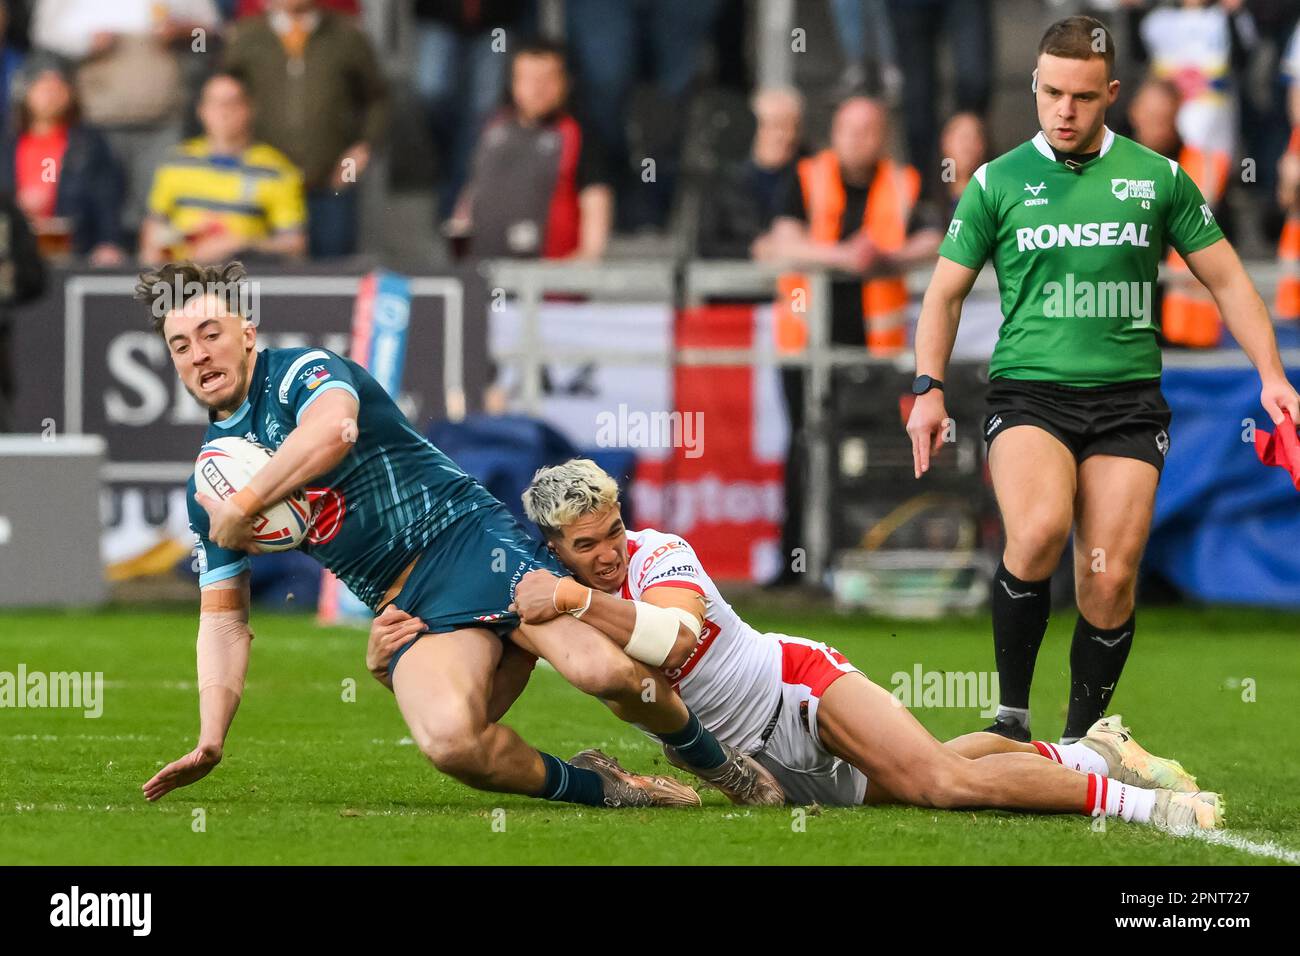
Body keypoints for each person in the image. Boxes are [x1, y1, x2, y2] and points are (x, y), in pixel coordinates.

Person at [137, 260, 781, 811]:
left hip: (472, 540)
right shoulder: (212, 482)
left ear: (247, 334)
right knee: (453, 744)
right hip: (408, 606)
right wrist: (211, 736)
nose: (198, 354)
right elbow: (223, 620)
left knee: (605, 672)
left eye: (210, 333)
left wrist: (247, 504)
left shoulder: (302, 372)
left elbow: (334, 433)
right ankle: (607, 788)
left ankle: (718, 765)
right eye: (180, 345)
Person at [369, 458, 1223, 831]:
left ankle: (1152, 809)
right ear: (552, 544)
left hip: (799, 693)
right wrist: (402, 660)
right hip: (765, 764)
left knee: (943, 784)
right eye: (587, 545)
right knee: (917, 777)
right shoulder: (551, 604)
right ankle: (1088, 749)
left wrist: (569, 599)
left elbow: (676, 642)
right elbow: (482, 708)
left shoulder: (658, 553)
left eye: (613, 530)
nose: (609, 551)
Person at [906, 16, 1299, 745]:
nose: (1064, 110)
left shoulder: (1157, 179)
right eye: (1051, 92)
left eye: (1082, 97)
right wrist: (927, 388)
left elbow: (1230, 282)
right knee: (1040, 529)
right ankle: (1012, 720)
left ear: (1111, 93)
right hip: (1030, 395)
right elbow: (944, 295)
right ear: (1034, 87)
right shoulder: (998, 182)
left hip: (1127, 403)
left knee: (1111, 578)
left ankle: (1084, 745)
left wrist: (1272, 375)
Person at [223, 0, 389, 258]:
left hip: (328, 180)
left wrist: (363, 148)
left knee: (333, 277)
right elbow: (224, 95)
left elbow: (377, 97)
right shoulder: (246, 35)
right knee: (264, 280)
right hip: (262, 185)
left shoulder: (346, 35)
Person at [452, 39, 612, 261]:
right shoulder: (493, 129)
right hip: (485, 281)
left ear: (566, 83)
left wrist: (580, 266)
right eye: (527, 79)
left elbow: (596, 215)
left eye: (547, 79)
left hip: (549, 287)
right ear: (513, 83)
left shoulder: (579, 136)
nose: (537, 89)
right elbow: (473, 192)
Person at [140, 72, 306, 265]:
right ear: (202, 110)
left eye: (232, 103)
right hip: (179, 280)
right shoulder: (176, 161)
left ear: (249, 109)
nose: (223, 112)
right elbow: (154, 223)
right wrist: (153, 252)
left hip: (244, 281)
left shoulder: (276, 170)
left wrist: (241, 244)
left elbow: (295, 245)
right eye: (215, 103)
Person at [0, 61, 125, 264]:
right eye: (43, 88)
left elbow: (107, 195)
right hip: (14, 250)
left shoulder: (90, 144)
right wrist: (17, 206)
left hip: (74, 249)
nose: (51, 95)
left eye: (58, 88)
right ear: (26, 93)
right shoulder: (7, 144)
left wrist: (108, 241)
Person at [695, 87, 803, 260]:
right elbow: (706, 244)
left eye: (793, 126)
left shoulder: (812, 174)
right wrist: (753, 249)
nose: (785, 136)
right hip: (738, 282)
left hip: (801, 282)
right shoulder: (723, 180)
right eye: (776, 125)